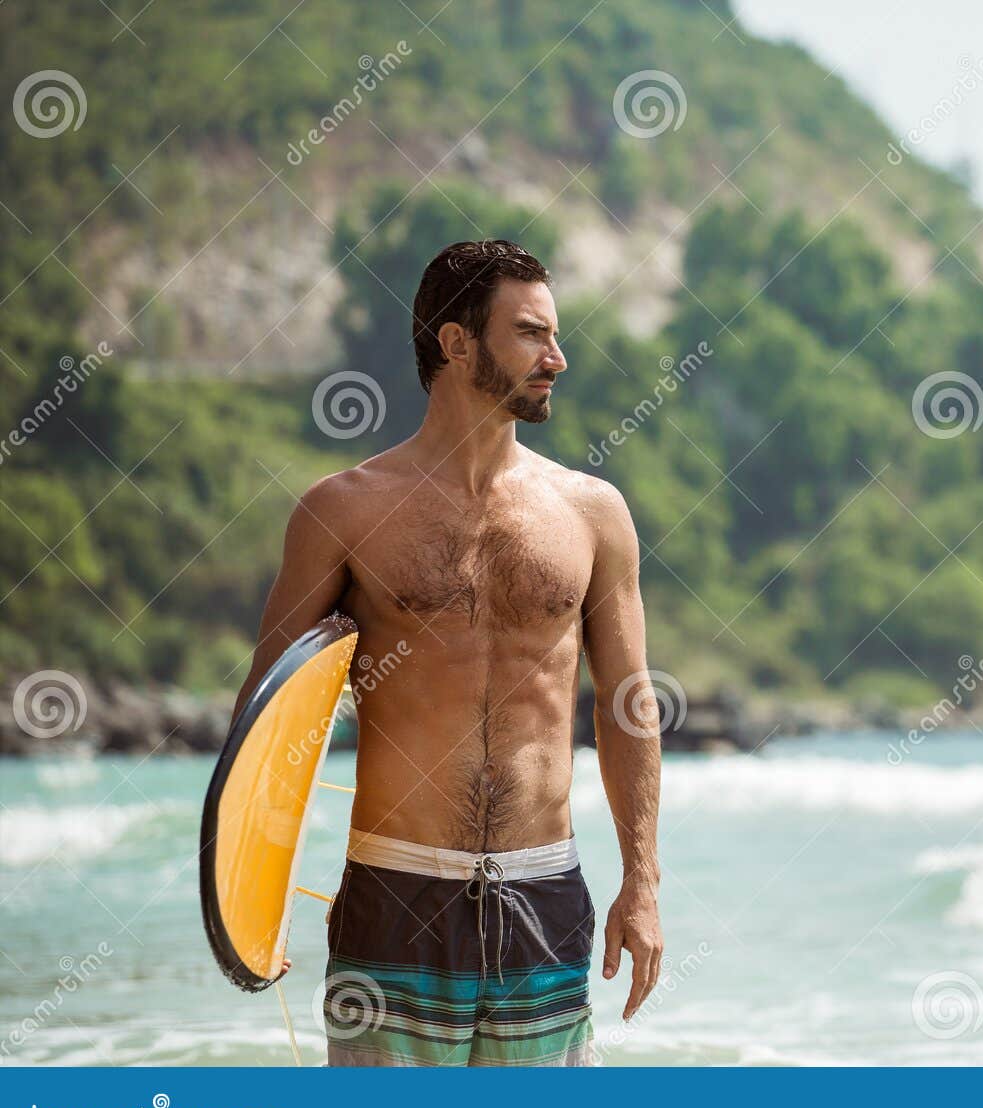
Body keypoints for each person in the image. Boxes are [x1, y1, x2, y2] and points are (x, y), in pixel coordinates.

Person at [230, 240, 663, 1065]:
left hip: (543, 896)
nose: (557, 358)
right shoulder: (344, 511)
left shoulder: (592, 513)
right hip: (395, 893)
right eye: (530, 334)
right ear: (457, 343)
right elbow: (267, 718)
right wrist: (251, 906)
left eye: (555, 335)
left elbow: (627, 702)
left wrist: (641, 880)